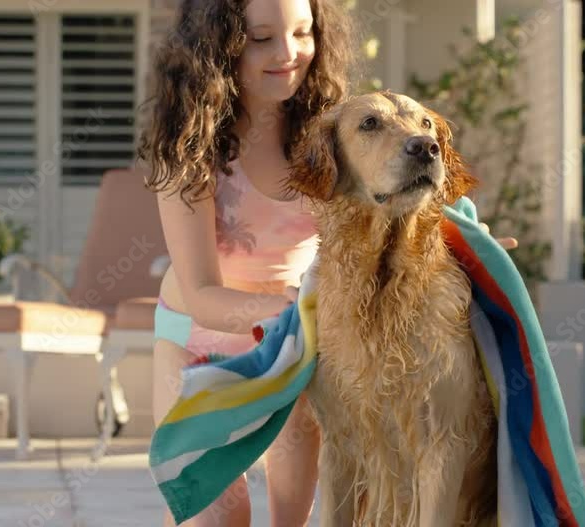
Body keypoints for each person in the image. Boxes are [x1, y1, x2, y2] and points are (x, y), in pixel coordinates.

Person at [140, 0, 517, 524]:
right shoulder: (190, 151)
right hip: (200, 342)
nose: (289, 54)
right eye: (262, 38)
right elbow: (203, 294)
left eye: (302, 32)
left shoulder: (328, 130)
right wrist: (295, 310)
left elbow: (395, 203)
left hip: (298, 345)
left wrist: (474, 244)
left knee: (295, 509)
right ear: (218, 46)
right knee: (216, 515)